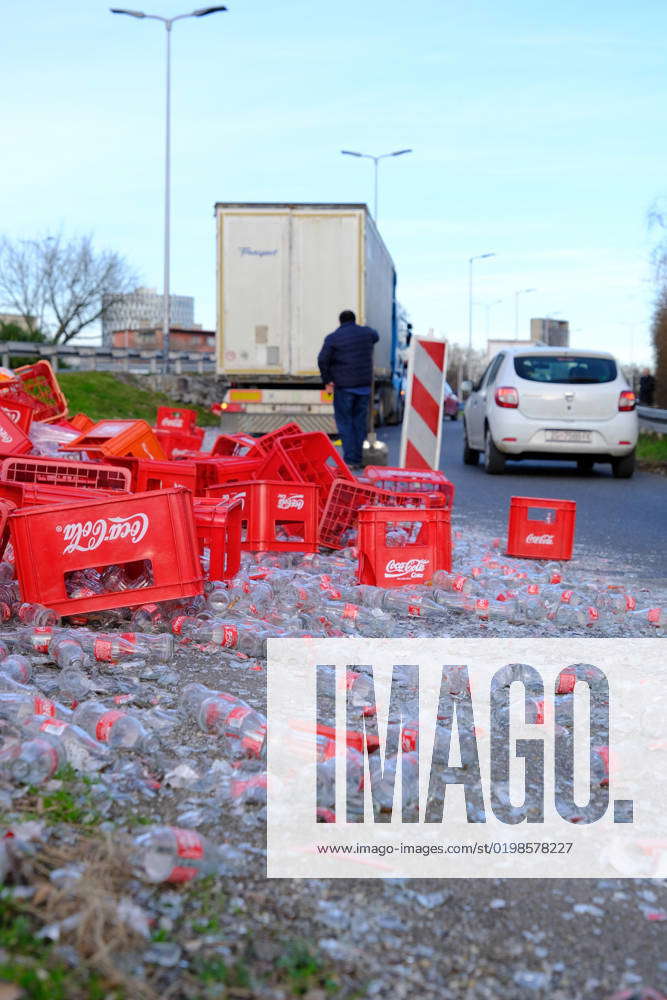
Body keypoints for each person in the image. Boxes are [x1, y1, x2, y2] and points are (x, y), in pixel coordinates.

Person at [318, 309, 379, 469]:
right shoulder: (366, 334)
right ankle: (357, 459)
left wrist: (327, 380)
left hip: (344, 388)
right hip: (364, 388)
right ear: (354, 320)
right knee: (359, 424)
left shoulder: (334, 338)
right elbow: (376, 336)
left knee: (345, 423)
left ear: (340, 321)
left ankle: (351, 460)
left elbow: (322, 359)